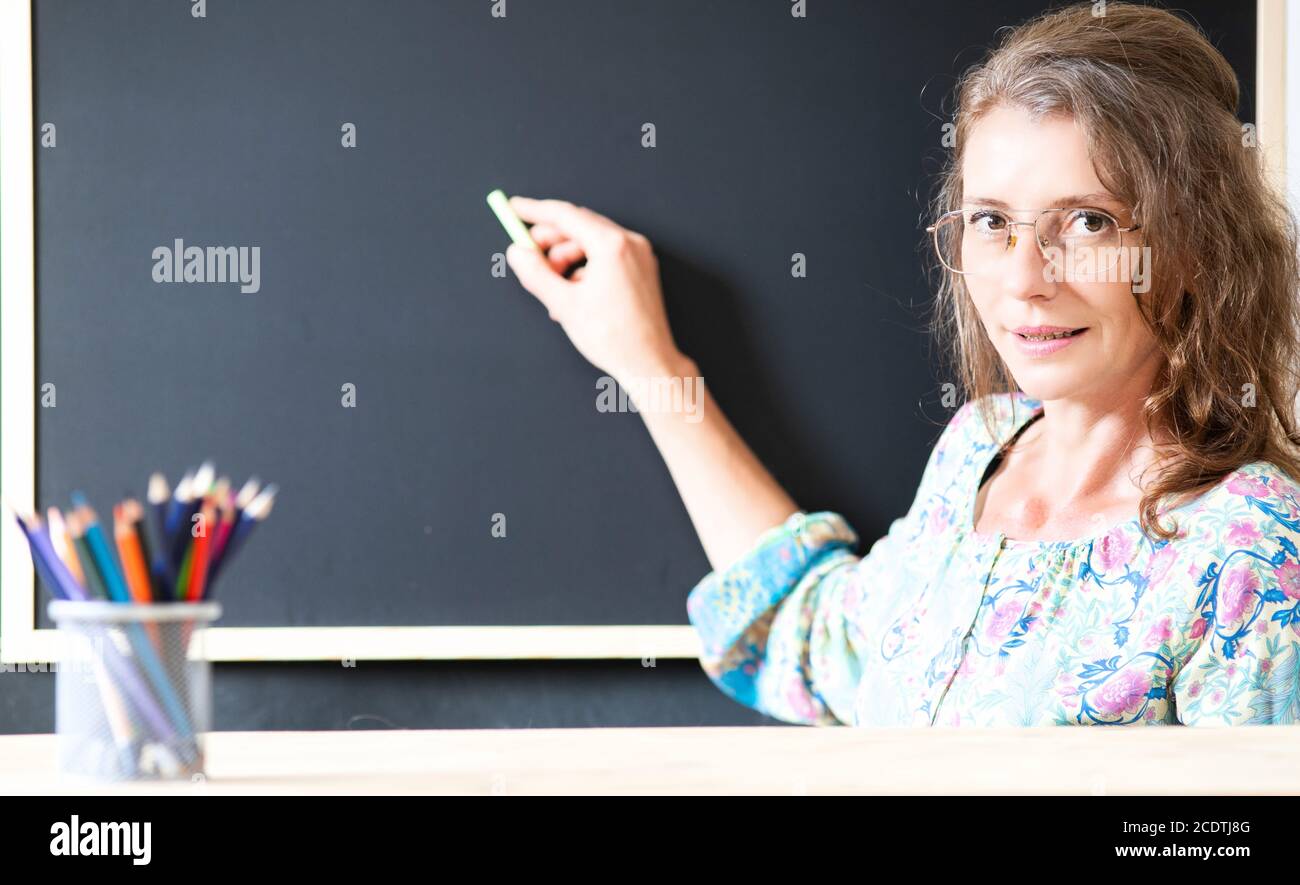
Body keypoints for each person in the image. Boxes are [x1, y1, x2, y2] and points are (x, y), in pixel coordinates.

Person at [503, 2, 1300, 726]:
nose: (1024, 278)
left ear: (1193, 247)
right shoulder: (980, 451)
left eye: (1088, 222)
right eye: (992, 221)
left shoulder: (1252, 556)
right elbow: (821, 638)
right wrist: (648, 360)